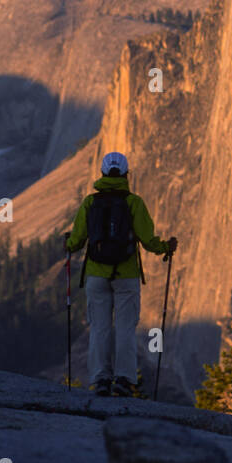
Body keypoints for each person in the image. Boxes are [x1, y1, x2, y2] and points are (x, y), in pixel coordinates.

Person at [65, 152, 177, 396]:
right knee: (126, 328)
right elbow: (147, 240)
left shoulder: (90, 203)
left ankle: (100, 379)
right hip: (126, 275)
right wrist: (165, 248)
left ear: (103, 173)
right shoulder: (134, 202)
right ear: (126, 174)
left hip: (96, 275)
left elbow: (77, 240)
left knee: (99, 328)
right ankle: (124, 380)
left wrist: (69, 244)